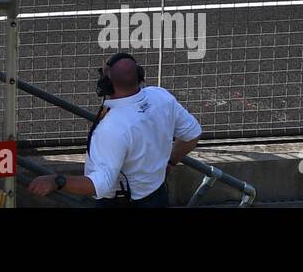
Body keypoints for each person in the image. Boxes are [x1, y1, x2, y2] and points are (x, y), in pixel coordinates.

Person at [28, 52, 201, 207]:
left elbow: (100, 185)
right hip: (158, 195)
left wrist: (57, 181)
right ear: (139, 75)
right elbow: (192, 133)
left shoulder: (113, 128)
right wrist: (170, 162)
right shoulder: (161, 96)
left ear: (107, 84)